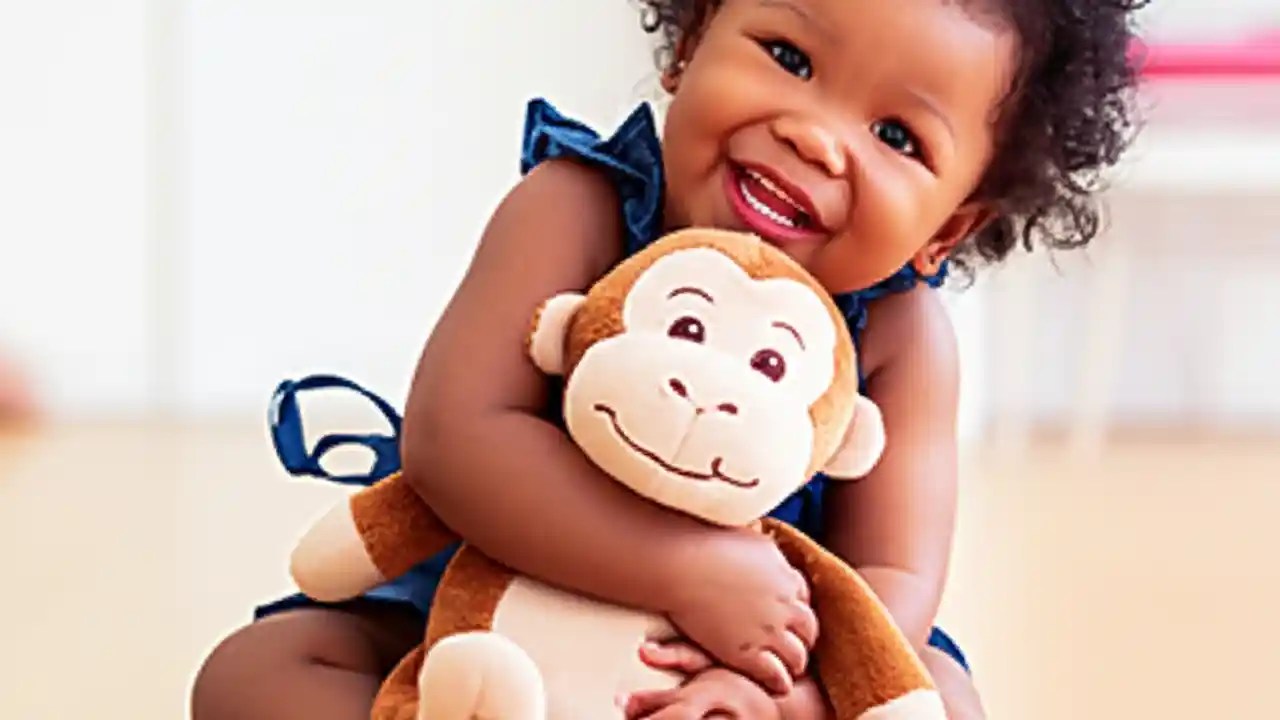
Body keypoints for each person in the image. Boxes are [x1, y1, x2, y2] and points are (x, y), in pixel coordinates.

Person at [192, 1, 1146, 718]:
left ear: (950, 228)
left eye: (897, 136)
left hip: (748, 653)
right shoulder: (575, 205)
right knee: (259, 672)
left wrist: (784, 693)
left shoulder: (902, 335)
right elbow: (454, 439)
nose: (815, 135)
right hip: (501, 602)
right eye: (789, 57)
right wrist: (687, 572)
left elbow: (893, 573)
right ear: (690, 44)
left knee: (942, 697)